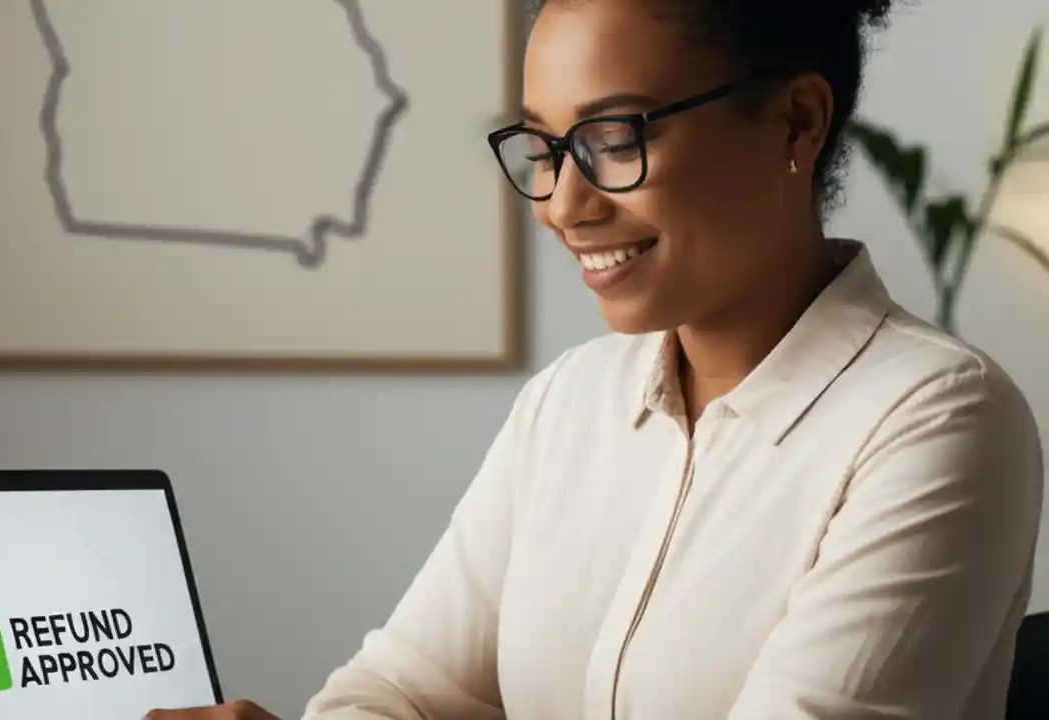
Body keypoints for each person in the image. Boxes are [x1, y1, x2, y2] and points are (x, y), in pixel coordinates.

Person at [148, 0, 1045, 717]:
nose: (562, 204)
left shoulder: (937, 419)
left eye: (614, 140)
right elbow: (395, 692)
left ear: (794, 123)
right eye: (541, 146)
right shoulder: (569, 404)